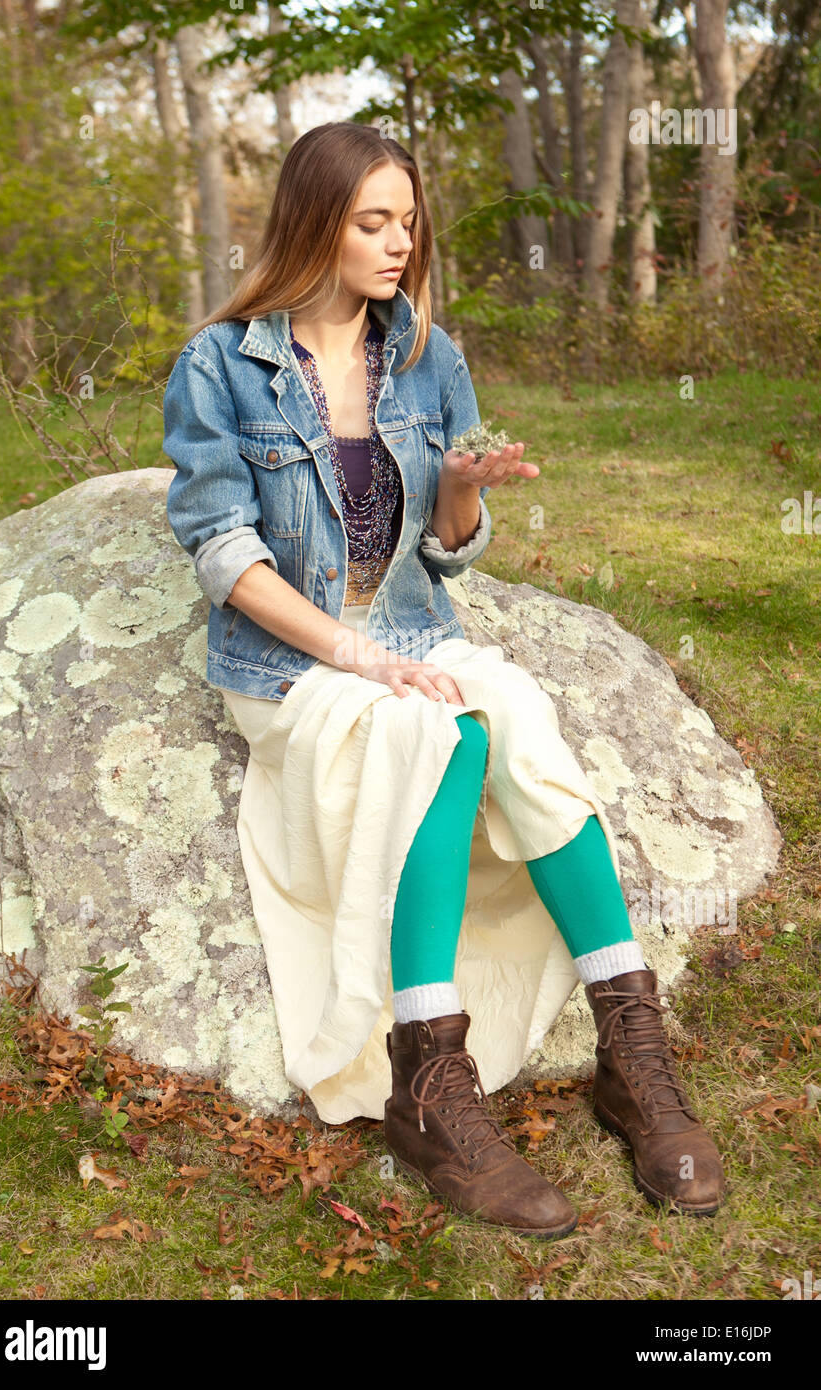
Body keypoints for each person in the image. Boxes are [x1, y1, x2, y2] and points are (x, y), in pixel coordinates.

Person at [162, 121, 725, 1239]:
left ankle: (632, 1050)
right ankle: (429, 1086)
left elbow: (448, 552)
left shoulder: (426, 353)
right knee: (444, 737)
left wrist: (460, 490)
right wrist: (353, 654)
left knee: (514, 715)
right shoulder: (221, 363)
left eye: (406, 222)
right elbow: (223, 553)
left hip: (414, 629)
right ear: (312, 222)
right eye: (372, 221)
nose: (396, 244)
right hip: (292, 663)